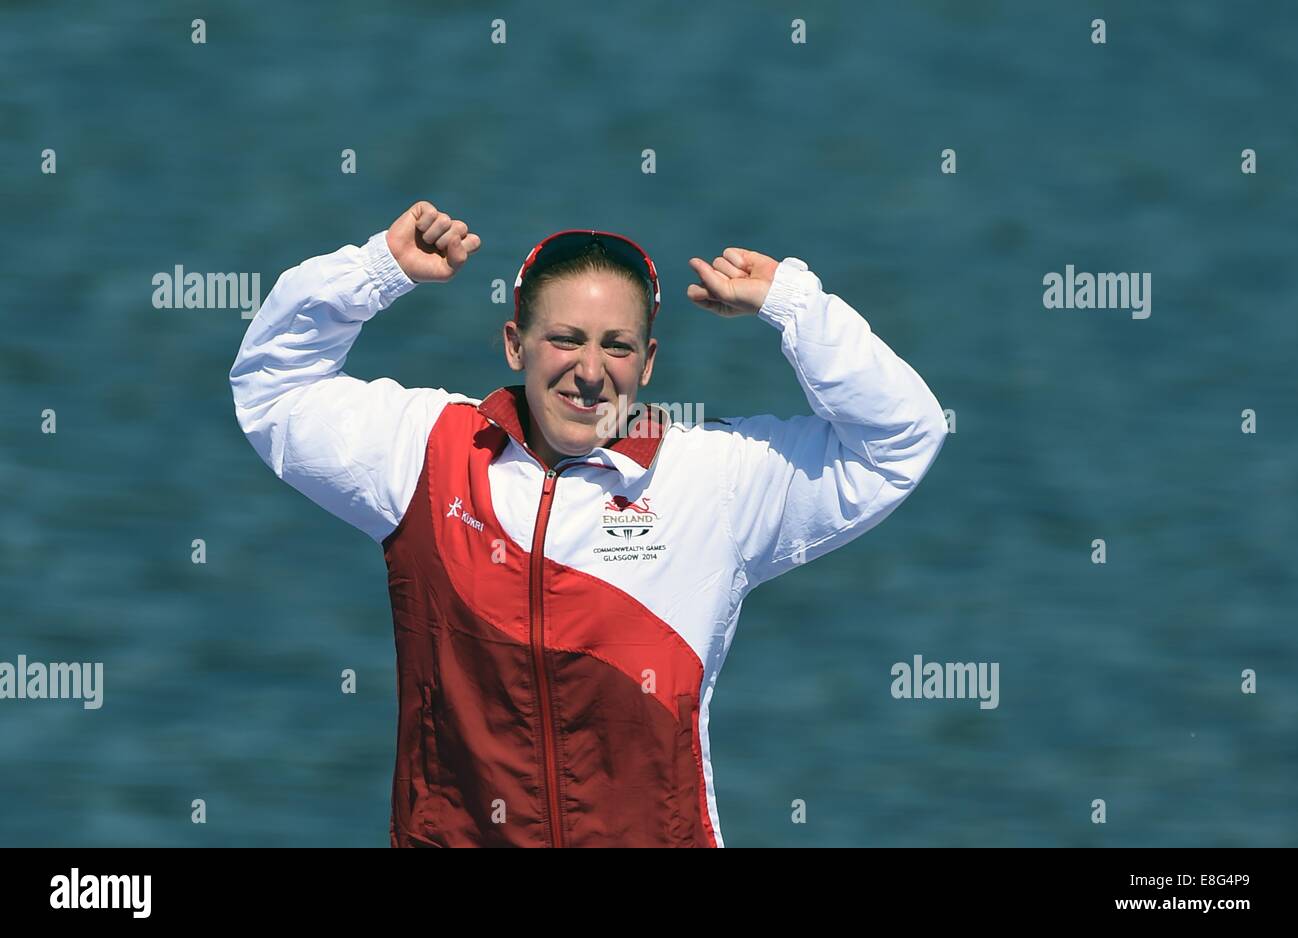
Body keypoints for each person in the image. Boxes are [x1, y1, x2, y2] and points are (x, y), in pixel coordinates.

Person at [229, 200, 947, 847]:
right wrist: (378, 270)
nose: (591, 371)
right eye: (566, 339)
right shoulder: (427, 453)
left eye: (618, 345)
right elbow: (273, 388)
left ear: (649, 362)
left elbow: (901, 439)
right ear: (515, 345)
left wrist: (794, 305)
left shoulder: (715, 480)